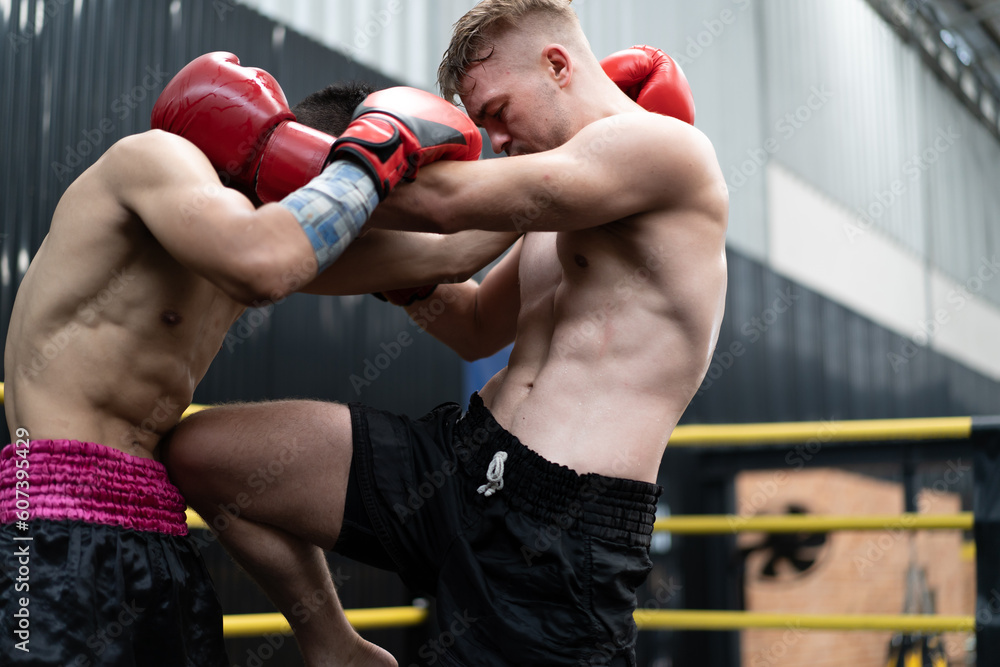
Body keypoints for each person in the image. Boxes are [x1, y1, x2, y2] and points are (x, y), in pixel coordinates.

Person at [163, 5, 726, 665]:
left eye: (499, 112)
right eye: (482, 124)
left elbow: (443, 203)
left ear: (556, 64)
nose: (498, 140)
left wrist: (275, 152)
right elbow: (474, 324)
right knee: (201, 454)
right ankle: (335, 647)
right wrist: (350, 268)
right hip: (459, 462)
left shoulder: (665, 146)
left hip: (561, 528)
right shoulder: (552, 209)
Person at [0, 50, 507, 666]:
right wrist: (371, 164)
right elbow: (258, 261)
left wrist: (580, 144)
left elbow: (453, 256)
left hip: (158, 530)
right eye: (351, 197)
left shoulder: (274, 236)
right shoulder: (155, 159)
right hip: (54, 514)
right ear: (315, 164)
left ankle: (331, 644)